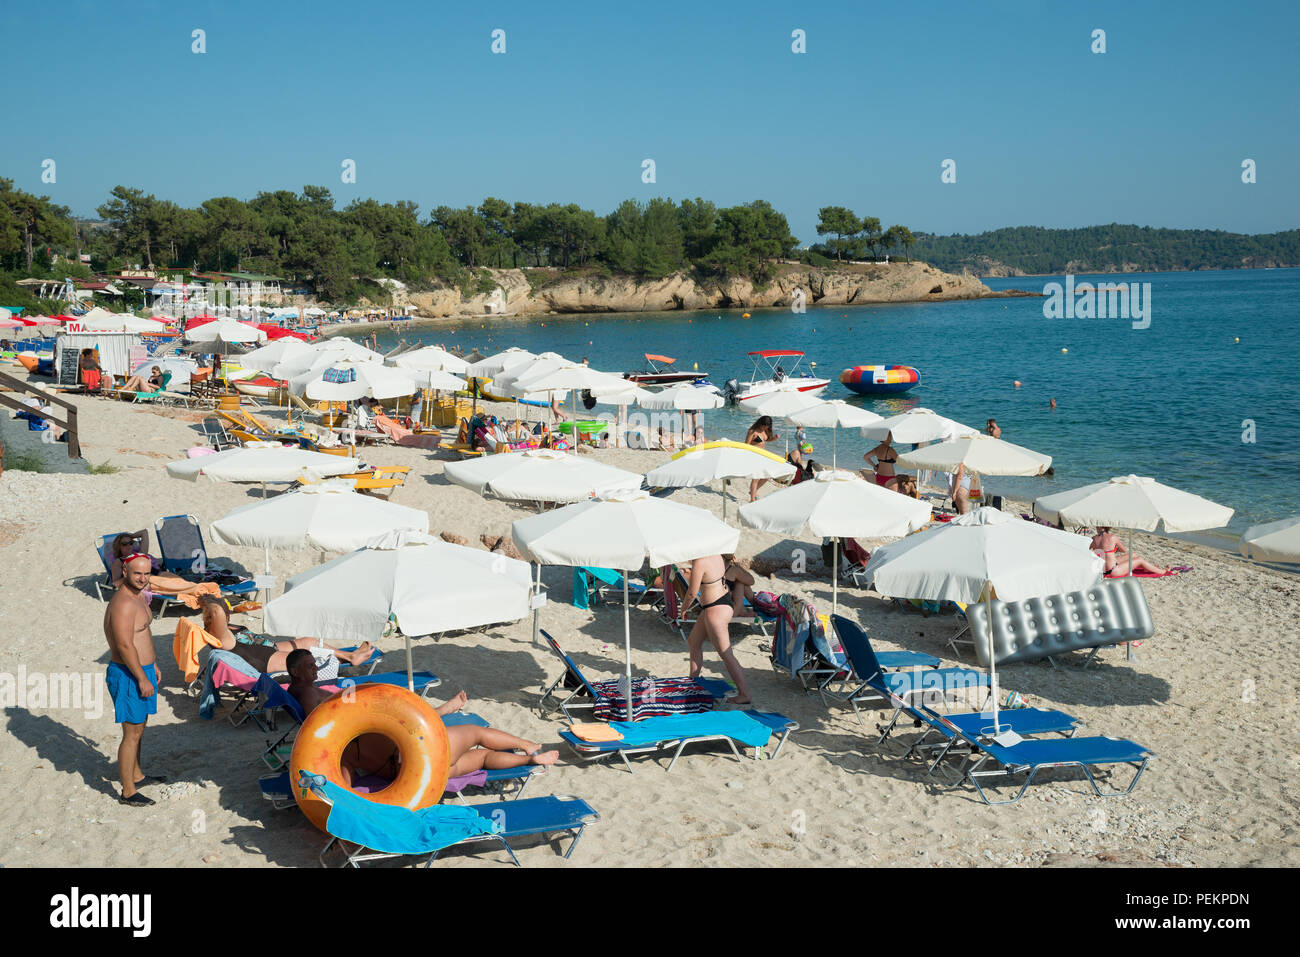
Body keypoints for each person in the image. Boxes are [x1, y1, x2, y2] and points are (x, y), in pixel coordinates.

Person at [285, 651, 558, 787]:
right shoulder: (312, 698)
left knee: (483, 758)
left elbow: (347, 780)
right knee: (475, 732)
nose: (315, 669)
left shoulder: (339, 747)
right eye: (310, 666)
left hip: (404, 775)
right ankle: (528, 747)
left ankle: (528, 758)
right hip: (415, 753)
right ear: (295, 671)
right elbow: (321, 715)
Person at [104, 553, 164, 806]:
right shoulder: (124, 603)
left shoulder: (138, 596)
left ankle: (137, 774)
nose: (142, 578)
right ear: (125, 572)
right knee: (131, 733)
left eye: (147, 573)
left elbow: (143, 635)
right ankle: (128, 792)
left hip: (144, 670)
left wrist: (153, 665)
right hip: (129, 673)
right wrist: (141, 677)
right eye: (137, 573)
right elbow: (125, 645)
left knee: (140, 728)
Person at [198, 595, 375, 673]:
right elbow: (217, 613)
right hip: (263, 661)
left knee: (309, 641)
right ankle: (351, 658)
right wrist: (209, 601)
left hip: (267, 648)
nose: (227, 612)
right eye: (224, 609)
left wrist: (225, 605)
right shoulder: (218, 633)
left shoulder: (225, 625)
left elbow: (221, 613)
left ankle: (350, 656)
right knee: (307, 658)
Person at [682, 555, 752, 704]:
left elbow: (692, 592)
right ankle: (693, 681)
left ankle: (744, 694)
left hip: (716, 609)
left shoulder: (700, 561)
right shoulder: (716, 556)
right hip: (718, 604)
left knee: (726, 654)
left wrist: (683, 609)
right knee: (694, 642)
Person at [107, 531, 220, 606]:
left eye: (131, 543)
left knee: (182, 583)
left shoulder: (141, 554)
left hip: (159, 574)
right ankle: (206, 593)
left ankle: (205, 593)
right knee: (179, 586)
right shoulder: (119, 562)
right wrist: (128, 576)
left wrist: (130, 536)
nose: (129, 546)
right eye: (124, 544)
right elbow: (116, 583)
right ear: (118, 546)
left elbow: (144, 533)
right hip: (148, 581)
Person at [1089, 527, 1175, 577]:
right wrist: (1113, 549)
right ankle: (1163, 571)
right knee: (1140, 560)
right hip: (1112, 571)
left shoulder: (1093, 538)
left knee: (1133, 555)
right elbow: (1123, 550)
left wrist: (1106, 550)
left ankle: (1147, 567)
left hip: (1101, 568)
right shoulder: (1113, 537)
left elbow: (1089, 551)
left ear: (1099, 527)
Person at [746, 415, 778, 501]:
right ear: (760, 423)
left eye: (767, 426)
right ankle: (752, 499)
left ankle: (753, 491)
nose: (765, 428)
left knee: (767, 476)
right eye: (764, 426)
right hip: (754, 457)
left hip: (763, 457)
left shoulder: (765, 431)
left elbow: (765, 441)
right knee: (756, 478)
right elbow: (746, 445)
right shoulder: (752, 431)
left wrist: (774, 439)